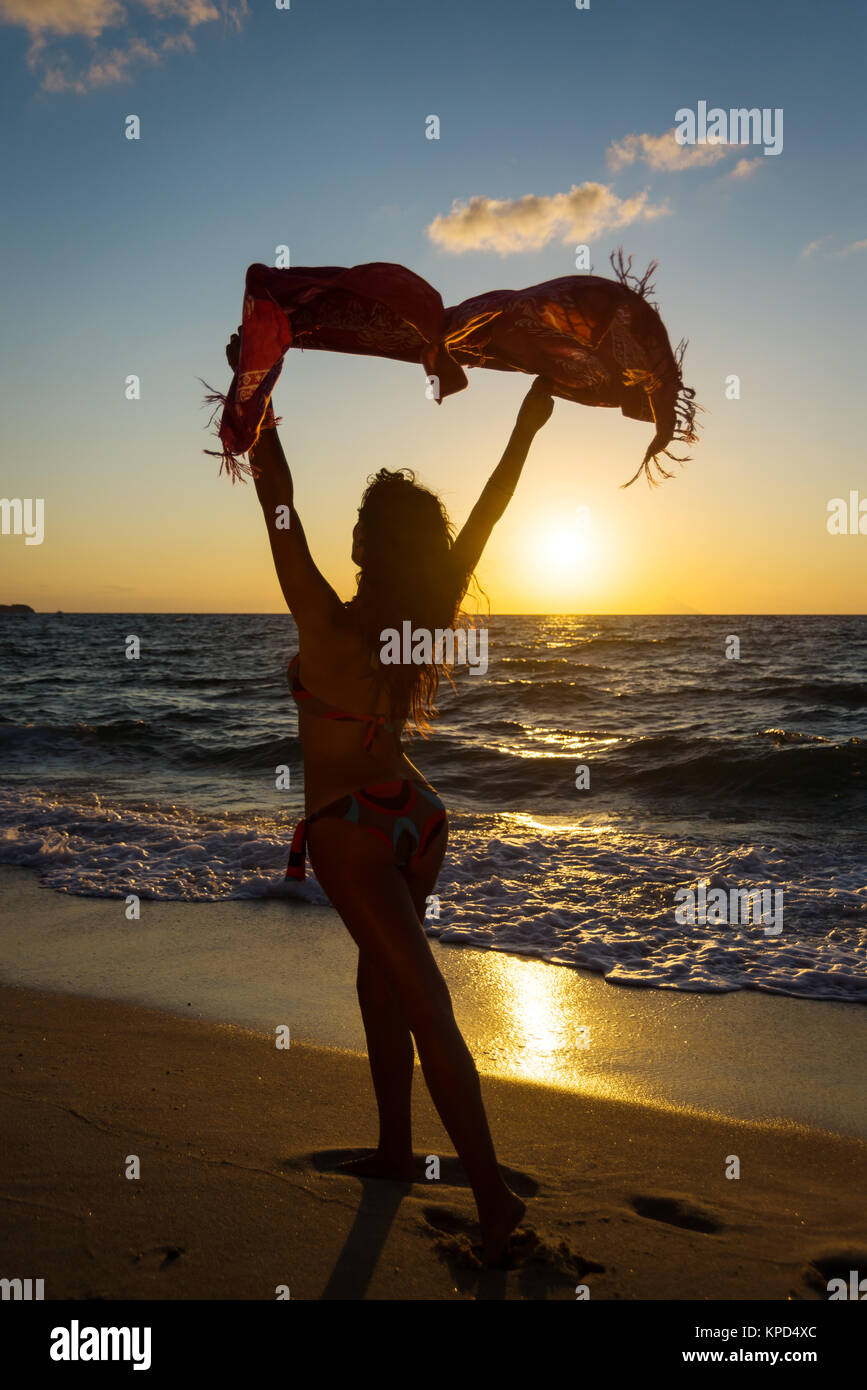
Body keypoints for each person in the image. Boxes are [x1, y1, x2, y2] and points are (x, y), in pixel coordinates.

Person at [225, 329, 554, 1264]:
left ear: (370, 541)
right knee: (381, 981)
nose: (357, 527)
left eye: (365, 518)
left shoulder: (326, 621)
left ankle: (491, 1198)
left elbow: (277, 503)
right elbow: (486, 517)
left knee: (422, 998)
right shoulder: (424, 611)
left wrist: (260, 391)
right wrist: (526, 428)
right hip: (416, 816)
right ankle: (397, 1147)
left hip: (350, 832)